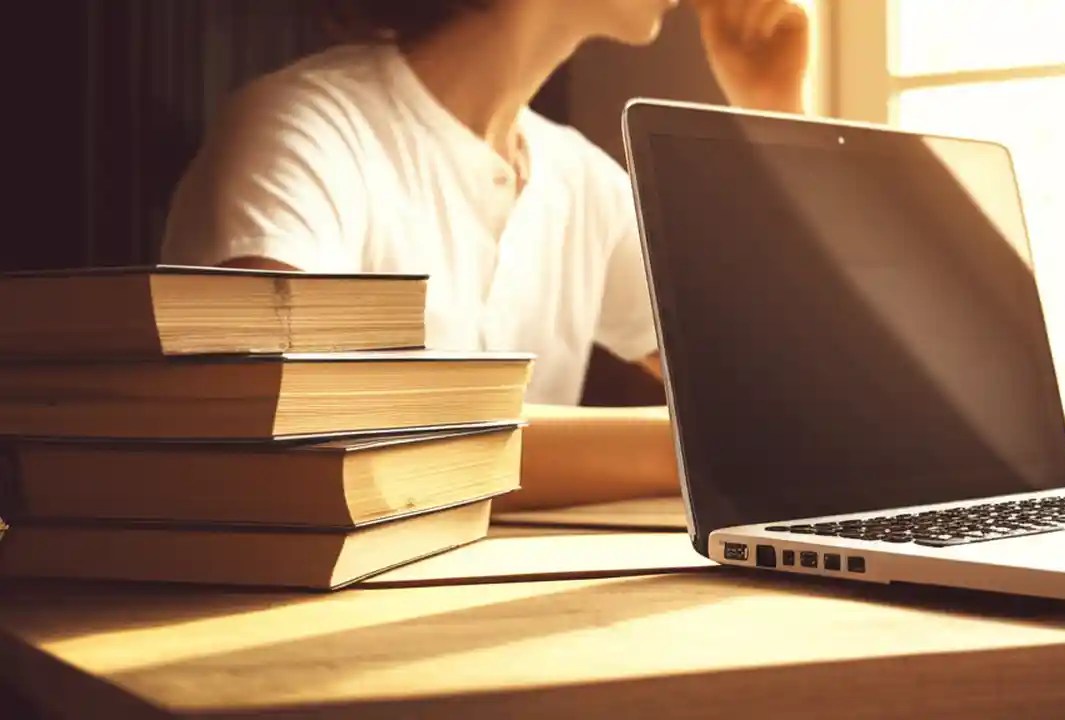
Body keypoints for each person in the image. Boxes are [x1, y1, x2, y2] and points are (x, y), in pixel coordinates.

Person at [161, 0, 811, 509]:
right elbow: (286, 418)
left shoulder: (580, 179)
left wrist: (773, 111)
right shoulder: (304, 130)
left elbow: (778, 388)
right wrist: (697, 451)